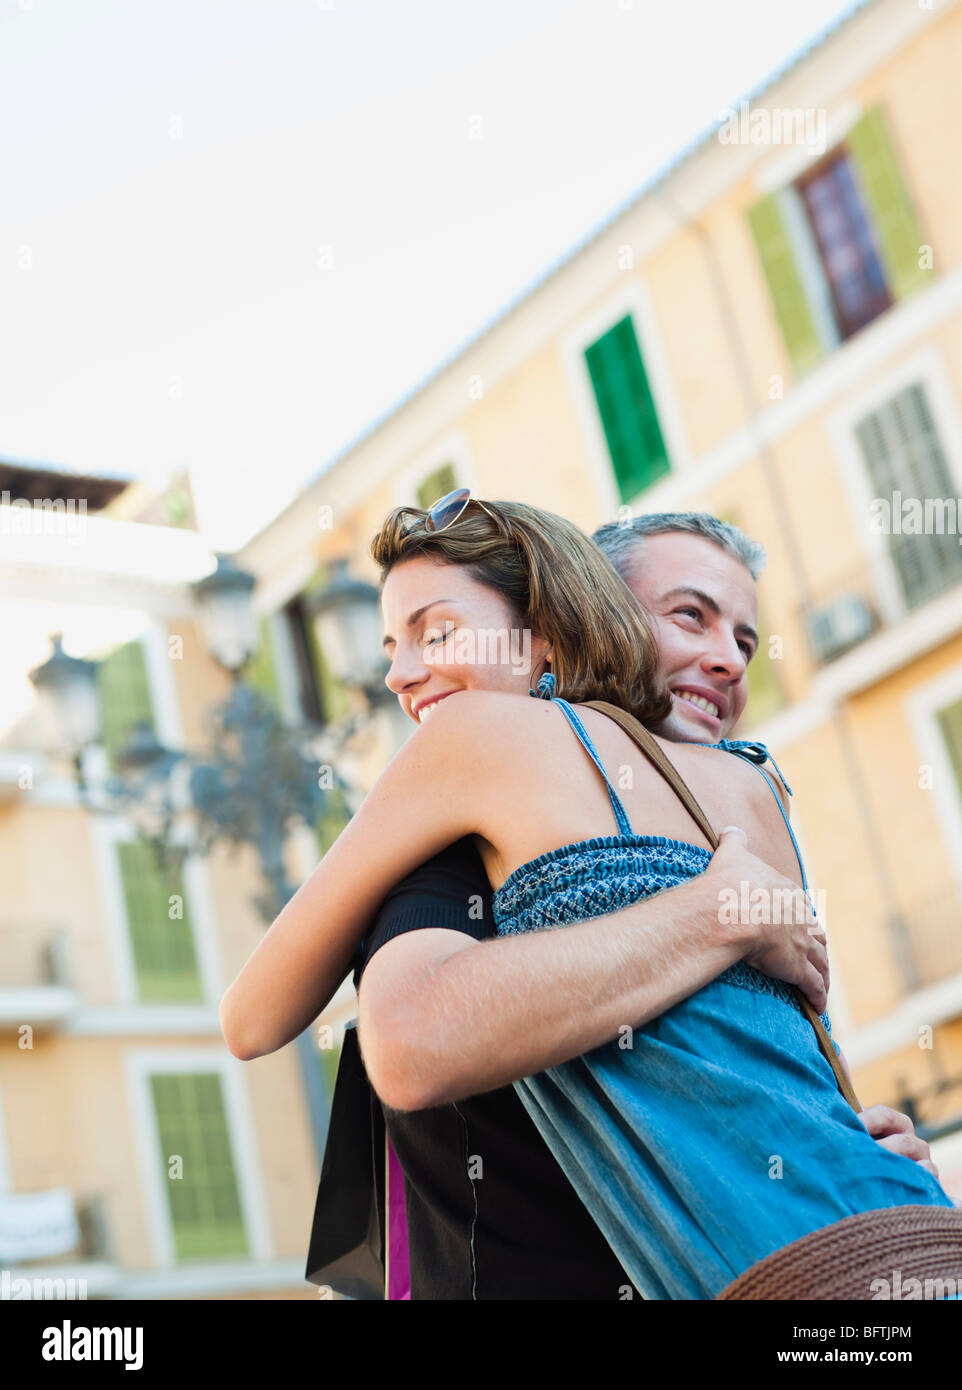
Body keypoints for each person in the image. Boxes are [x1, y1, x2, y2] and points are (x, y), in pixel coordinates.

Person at [220, 495, 955, 1300]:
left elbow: (263, 1021)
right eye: (688, 617)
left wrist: (849, 1129)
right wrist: (721, 919)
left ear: (550, 632)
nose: (730, 660)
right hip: (902, 1242)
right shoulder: (756, 791)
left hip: (794, 1265)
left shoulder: (479, 745)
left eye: (435, 632)